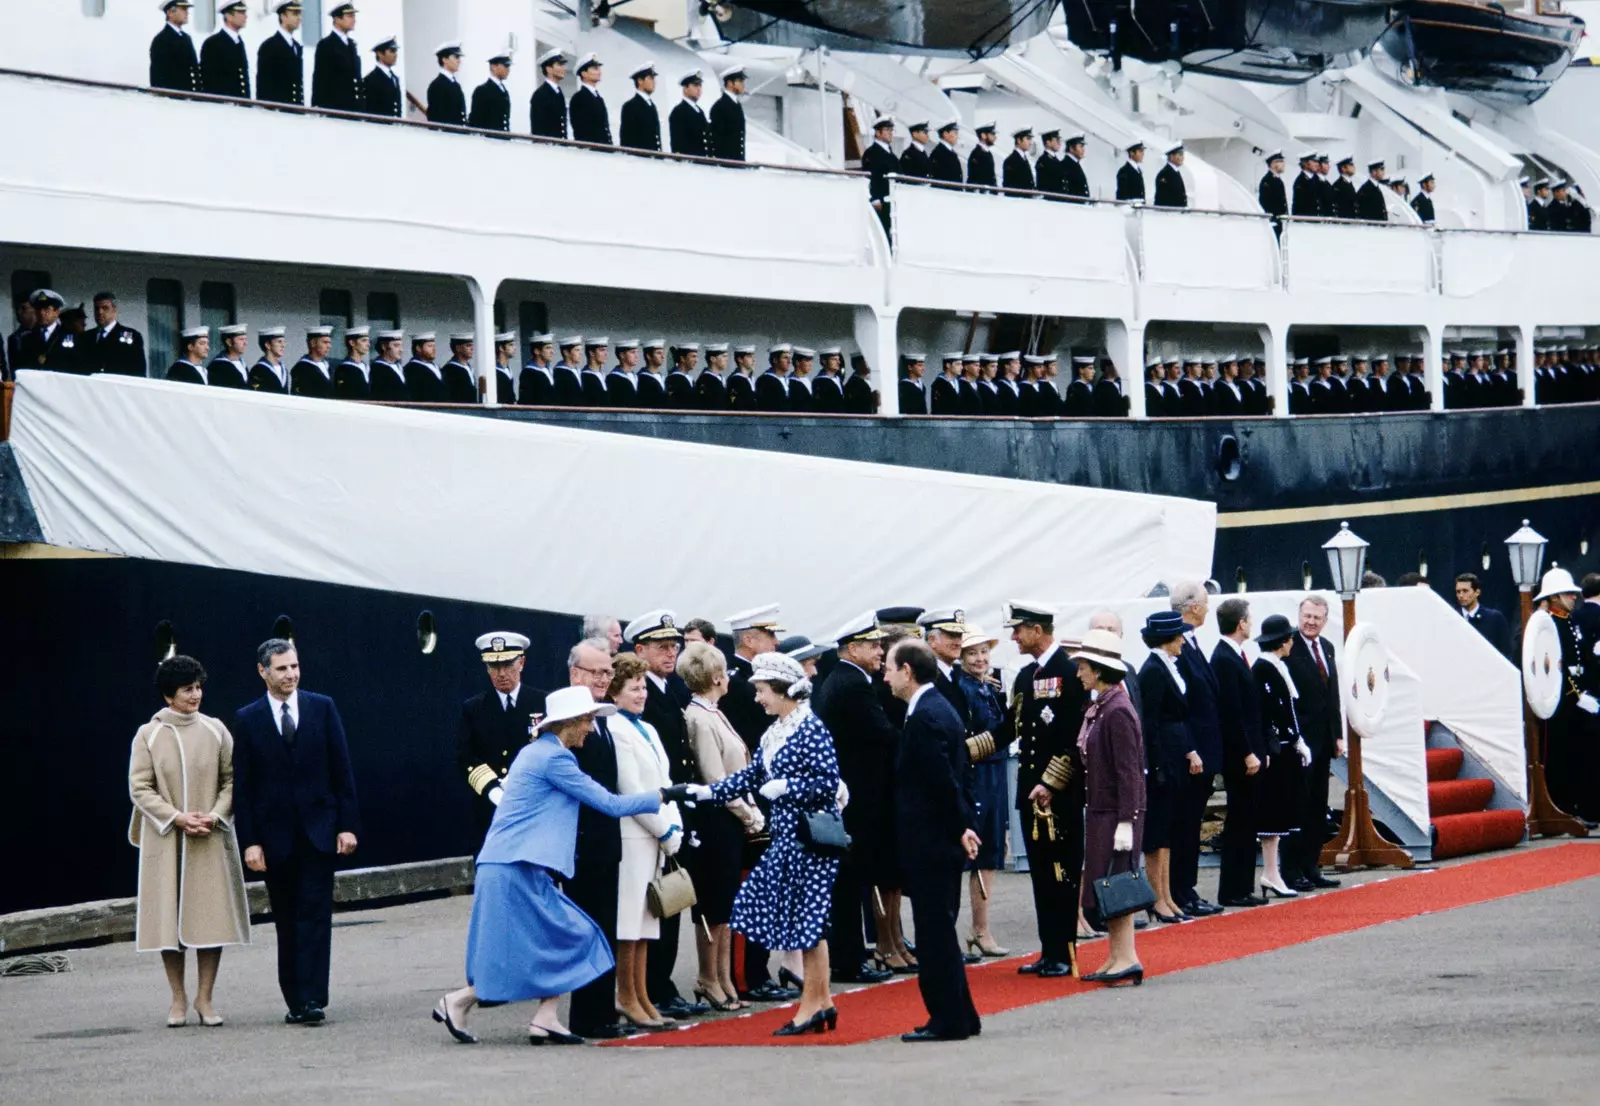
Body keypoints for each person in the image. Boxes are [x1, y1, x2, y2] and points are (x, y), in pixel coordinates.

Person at [434, 686, 680, 1046]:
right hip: (511, 867)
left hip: (516, 865)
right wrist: (664, 795)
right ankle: (461, 1001)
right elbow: (609, 804)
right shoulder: (555, 760)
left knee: (558, 939)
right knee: (576, 936)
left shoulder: (537, 752)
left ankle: (542, 1017)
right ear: (569, 723)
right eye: (587, 722)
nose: (591, 730)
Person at [684, 653, 843, 1036]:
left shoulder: (809, 728)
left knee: (809, 925)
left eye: (762, 691)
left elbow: (829, 783)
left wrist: (789, 787)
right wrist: (706, 792)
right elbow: (751, 775)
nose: (757, 698)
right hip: (787, 838)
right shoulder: (777, 730)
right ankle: (822, 1003)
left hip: (810, 840)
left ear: (783, 690)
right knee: (809, 924)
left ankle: (811, 1005)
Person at [232, 639, 360, 1025]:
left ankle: (313, 999)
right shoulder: (248, 718)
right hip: (276, 839)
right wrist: (250, 842)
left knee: (316, 915)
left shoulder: (322, 707)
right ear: (263, 672)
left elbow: (342, 770)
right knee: (287, 919)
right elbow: (245, 786)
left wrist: (348, 826)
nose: (291, 674)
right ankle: (295, 999)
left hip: (319, 831)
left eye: (295, 667)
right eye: (282, 668)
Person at [129, 654, 251, 1028]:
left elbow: (233, 779)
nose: (196, 695)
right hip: (167, 840)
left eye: (198, 687)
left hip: (208, 835)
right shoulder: (148, 734)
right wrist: (176, 817)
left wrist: (214, 815)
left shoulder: (216, 730)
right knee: (170, 919)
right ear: (169, 696)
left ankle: (205, 998)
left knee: (210, 917)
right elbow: (140, 787)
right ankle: (178, 999)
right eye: (187, 689)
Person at [882, 639, 982, 1042]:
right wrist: (965, 824)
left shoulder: (925, 715)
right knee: (940, 925)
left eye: (889, 668)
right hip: (941, 839)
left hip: (931, 841)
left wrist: (961, 825)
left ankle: (947, 1019)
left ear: (908, 671)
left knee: (934, 932)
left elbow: (941, 780)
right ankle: (963, 1014)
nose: (884, 676)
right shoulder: (938, 706)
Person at [811, 612, 897, 985]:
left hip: (852, 796)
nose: (881, 651)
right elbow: (881, 734)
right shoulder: (852, 685)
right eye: (874, 645)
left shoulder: (847, 680)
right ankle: (848, 958)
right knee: (848, 881)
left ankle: (849, 953)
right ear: (853, 648)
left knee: (850, 880)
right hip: (855, 799)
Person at [678, 641, 765, 1011]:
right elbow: (716, 780)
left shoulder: (713, 711)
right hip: (716, 821)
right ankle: (709, 977)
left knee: (727, 906)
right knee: (714, 906)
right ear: (715, 677)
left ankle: (725, 976)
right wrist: (751, 815)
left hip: (730, 822)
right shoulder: (698, 717)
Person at [1002, 601, 1087, 978]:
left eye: (1018, 630)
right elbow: (1012, 728)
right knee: (1040, 873)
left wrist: (1051, 782)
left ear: (1037, 630)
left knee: (1061, 872)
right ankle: (1048, 949)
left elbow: (1077, 736)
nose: (1014, 637)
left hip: (1059, 795)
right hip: (1030, 794)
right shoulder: (1024, 677)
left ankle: (1065, 950)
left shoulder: (1070, 673)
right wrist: (963, 750)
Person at [605, 654, 685, 1029]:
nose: (641, 694)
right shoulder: (616, 729)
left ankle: (642, 996)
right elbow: (631, 788)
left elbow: (664, 785)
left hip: (654, 837)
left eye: (642, 687)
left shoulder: (648, 730)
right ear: (615, 694)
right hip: (632, 835)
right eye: (633, 688)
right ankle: (627, 996)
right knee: (629, 920)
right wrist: (663, 830)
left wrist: (674, 828)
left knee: (647, 920)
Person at [558, 639, 631, 1039]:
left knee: (606, 929)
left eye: (608, 672)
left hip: (607, 842)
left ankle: (602, 1009)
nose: (604, 679)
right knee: (587, 931)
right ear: (575, 674)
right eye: (596, 672)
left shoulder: (600, 718)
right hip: (582, 843)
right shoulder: (567, 722)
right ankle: (587, 1014)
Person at [1069, 630, 1146, 986]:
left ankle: (1127, 956)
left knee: (1118, 884)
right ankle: (1115, 955)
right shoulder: (1102, 706)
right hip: (1102, 810)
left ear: (1099, 669)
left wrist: (1127, 822)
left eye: (1083, 665)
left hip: (1117, 812)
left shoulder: (1118, 710)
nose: (1079, 672)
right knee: (1105, 886)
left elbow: (1130, 772)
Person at [1136, 611, 1198, 923]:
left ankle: (1167, 895)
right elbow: (1150, 722)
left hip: (1175, 754)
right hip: (1162, 759)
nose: (1183, 642)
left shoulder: (1168, 667)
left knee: (1169, 830)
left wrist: (1189, 750)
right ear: (1167, 640)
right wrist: (1156, 765)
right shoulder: (1153, 671)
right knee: (1156, 831)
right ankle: (1156, 897)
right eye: (1179, 637)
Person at [456, 632, 545, 845]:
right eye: (494, 667)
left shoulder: (542, 702)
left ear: (521, 663)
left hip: (534, 805)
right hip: (491, 809)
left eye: (508, 665)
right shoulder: (474, 708)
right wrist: (493, 790)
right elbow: (466, 756)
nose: (501, 673)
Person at [1171, 582, 1224, 918]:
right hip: (1192, 751)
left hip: (1206, 747)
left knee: (1191, 823)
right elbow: (1182, 705)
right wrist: (1192, 748)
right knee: (1185, 823)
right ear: (1191, 606)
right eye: (1205, 603)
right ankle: (1180, 888)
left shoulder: (1192, 643)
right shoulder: (1177, 646)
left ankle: (1186, 887)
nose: (1208, 608)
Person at [956, 627, 1009, 957]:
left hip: (996, 773)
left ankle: (981, 928)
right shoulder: (963, 690)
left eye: (984, 652)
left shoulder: (987, 687)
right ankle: (978, 929)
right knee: (975, 855)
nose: (980, 659)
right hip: (977, 774)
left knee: (989, 855)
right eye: (972, 653)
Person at [1283, 596, 1343, 891]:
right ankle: (1291, 870)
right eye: (1307, 616)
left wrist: (1338, 735)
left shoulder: (1327, 648)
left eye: (1317, 618)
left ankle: (1312, 866)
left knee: (1318, 807)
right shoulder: (1288, 647)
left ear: (1325, 620)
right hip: (1299, 743)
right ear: (1299, 615)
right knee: (1298, 806)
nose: (1310, 622)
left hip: (1324, 742)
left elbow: (1332, 695)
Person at [1211, 598, 1266, 907]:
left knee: (1247, 820)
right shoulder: (1223, 659)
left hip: (1252, 753)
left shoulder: (1235, 656)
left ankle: (1242, 886)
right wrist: (1247, 752)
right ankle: (1233, 889)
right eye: (1248, 618)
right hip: (1240, 757)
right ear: (1241, 623)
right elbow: (1231, 713)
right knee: (1240, 821)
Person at [1253, 615, 1311, 898]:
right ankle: (1271, 872)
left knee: (1281, 815)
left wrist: (1297, 738)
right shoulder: (1264, 669)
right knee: (1272, 814)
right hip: (1275, 750)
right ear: (1283, 642)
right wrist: (1292, 737)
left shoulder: (1277, 666)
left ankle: (1273, 873)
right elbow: (1272, 711)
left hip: (1285, 746)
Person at [311, 3, 364, 114]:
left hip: (353, 109)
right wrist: (318, 106)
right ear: (337, 19)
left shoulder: (351, 45)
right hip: (335, 108)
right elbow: (320, 78)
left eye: (354, 16)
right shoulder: (326, 45)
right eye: (349, 16)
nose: (354, 20)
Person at [82, 292, 146, 377]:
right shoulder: (86, 337)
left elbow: (138, 371)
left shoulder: (131, 336)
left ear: (114, 310)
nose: (100, 312)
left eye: (105, 308)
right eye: (97, 308)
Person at [257, 2, 305, 107]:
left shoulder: (296, 47)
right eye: (295, 14)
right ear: (283, 16)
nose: (299, 18)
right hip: (278, 111)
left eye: (300, 14)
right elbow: (265, 86)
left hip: (295, 111)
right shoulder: (269, 46)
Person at [1455, 572, 1513, 659]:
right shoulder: (1454, 618)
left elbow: (1505, 653)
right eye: (1458, 592)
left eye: (1465, 591)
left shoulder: (1494, 618)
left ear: (1477, 592)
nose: (1461, 595)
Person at [202, 3, 251, 99]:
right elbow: (209, 79)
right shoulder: (213, 43)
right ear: (228, 16)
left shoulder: (239, 42)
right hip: (223, 105)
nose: (245, 16)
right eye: (240, 12)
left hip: (240, 104)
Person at [150, 1, 201, 93]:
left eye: (187, 9)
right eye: (183, 9)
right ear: (170, 13)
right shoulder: (162, 40)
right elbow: (158, 76)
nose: (187, 13)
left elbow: (194, 69)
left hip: (189, 96)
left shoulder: (186, 38)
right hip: (173, 99)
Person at [620, 61, 662, 152]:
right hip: (640, 161)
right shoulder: (630, 106)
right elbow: (627, 141)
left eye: (654, 78)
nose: (654, 82)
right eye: (650, 78)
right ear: (640, 81)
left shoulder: (651, 106)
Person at [570, 54, 612, 146]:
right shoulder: (579, 98)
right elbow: (581, 130)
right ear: (584, 73)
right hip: (592, 152)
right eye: (595, 68)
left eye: (599, 68)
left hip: (604, 150)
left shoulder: (598, 98)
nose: (599, 72)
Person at [670, 70, 714, 157]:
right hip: (690, 164)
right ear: (685, 88)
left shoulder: (700, 111)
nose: (699, 89)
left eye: (700, 85)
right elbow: (677, 145)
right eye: (695, 85)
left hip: (703, 163)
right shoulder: (679, 111)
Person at [468, 50, 513, 132]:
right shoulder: (482, 90)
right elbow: (476, 120)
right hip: (489, 140)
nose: (508, 70)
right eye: (505, 66)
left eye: (508, 66)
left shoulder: (503, 90)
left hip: (502, 138)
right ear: (493, 67)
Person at [711, 65, 748, 162]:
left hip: (737, 162)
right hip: (726, 163)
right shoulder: (720, 106)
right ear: (730, 83)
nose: (743, 84)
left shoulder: (736, 104)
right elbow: (718, 140)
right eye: (740, 81)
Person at [530, 49, 569, 139]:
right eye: (560, 64)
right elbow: (538, 129)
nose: (564, 68)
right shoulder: (540, 94)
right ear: (549, 69)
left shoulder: (558, 93)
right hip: (549, 149)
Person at [426, 43, 467, 126]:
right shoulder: (437, 85)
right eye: (456, 57)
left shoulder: (455, 84)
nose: (459, 61)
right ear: (444, 59)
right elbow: (437, 117)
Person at [363, 35, 402, 118]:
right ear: (380, 54)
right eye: (392, 51)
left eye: (395, 51)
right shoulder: (371, 79)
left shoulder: (395, 78)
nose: (395, 55)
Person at [290, 325, 334, 399]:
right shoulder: (302, 368)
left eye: (329, 342)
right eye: (325, 342)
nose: (329, 346)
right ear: (313, 343)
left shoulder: (328, 367)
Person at [331, 325, 370, 400]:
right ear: (352, 343)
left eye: (368, 341)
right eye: (363, 341)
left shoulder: (366, 367)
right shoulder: (344, 369)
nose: (368, 344)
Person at [368, 330, 408, 400]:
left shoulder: (399, 367)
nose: (401, 350)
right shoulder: (377, 369)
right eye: (396, 346)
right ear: (384, 346)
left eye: (401, 346)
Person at [207, 324, 250, 389]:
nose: (245, 343)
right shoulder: (219, 366)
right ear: (229, 342)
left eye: (245, 339)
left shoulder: (242, 363)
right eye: (241, 339)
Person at [249, 326, 289, 393]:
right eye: (279, 342)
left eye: (283, 342)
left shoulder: (284, 369)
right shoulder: (258, 369)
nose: (283, 345)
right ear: (268, 345)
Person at [929, 120, 964, 185]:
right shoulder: (938, 153)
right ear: (945, 134)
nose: (957, 137)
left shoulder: (950, 152)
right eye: (955, 133)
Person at [967, 122, 998, 188]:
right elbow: (976, 178)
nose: (995, 137)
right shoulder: (976, 154)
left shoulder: (988, 153)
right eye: (992, 134)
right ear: (983, 135)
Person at [1002, 127, 1035, 191]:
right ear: (1019, 140)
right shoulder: (1010, 161)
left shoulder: (1024, 158)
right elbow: (1009, 187)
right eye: (1028, 139)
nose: (1030, 143)